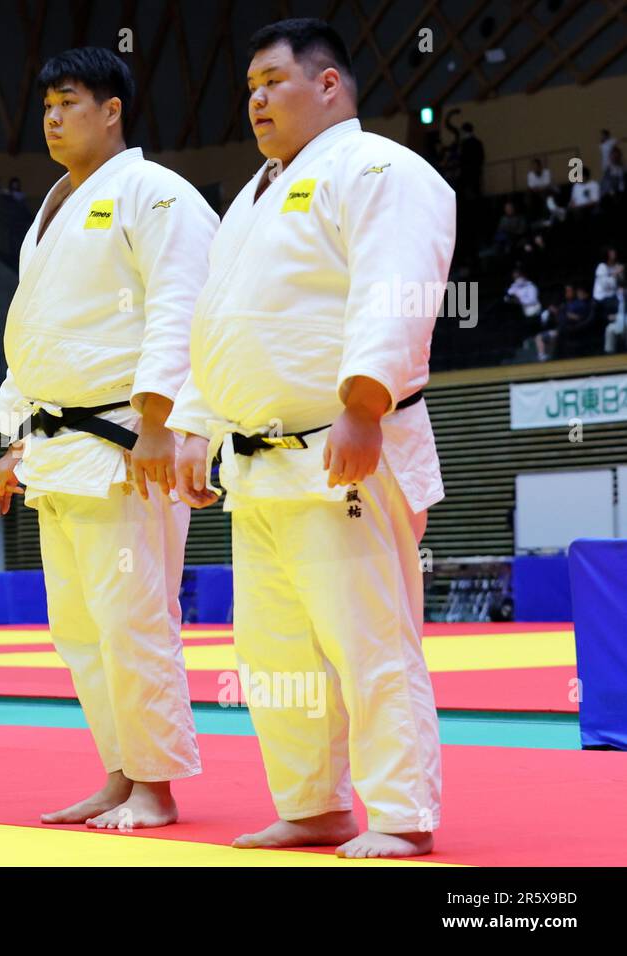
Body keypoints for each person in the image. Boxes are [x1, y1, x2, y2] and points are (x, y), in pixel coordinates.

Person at [169, 18, 454, 858]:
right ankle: (314, 805)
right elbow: (217, 324)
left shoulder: (380, 170)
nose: (256, 100)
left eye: (272, 82)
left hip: (342, 448)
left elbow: (395, 288)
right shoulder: (252, 197)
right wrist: (193, 424)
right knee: (274, 651)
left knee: (368, 641)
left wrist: (365, 402)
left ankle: (401, 814)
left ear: (328, 85)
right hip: (256, 461)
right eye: (249, 88)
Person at [0, 47, 218, 830]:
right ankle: (120, 772)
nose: (52, 118)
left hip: (125, 439)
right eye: (45, 106)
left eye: (69, 102)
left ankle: (156, 784)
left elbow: (183, 308)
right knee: (79, 629)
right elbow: (37, 339)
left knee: (135, 618)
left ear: (112, 110)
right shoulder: (52, 208)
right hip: (60, 445)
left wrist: (160, 424)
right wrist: (13, 440)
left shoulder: (155, 193)